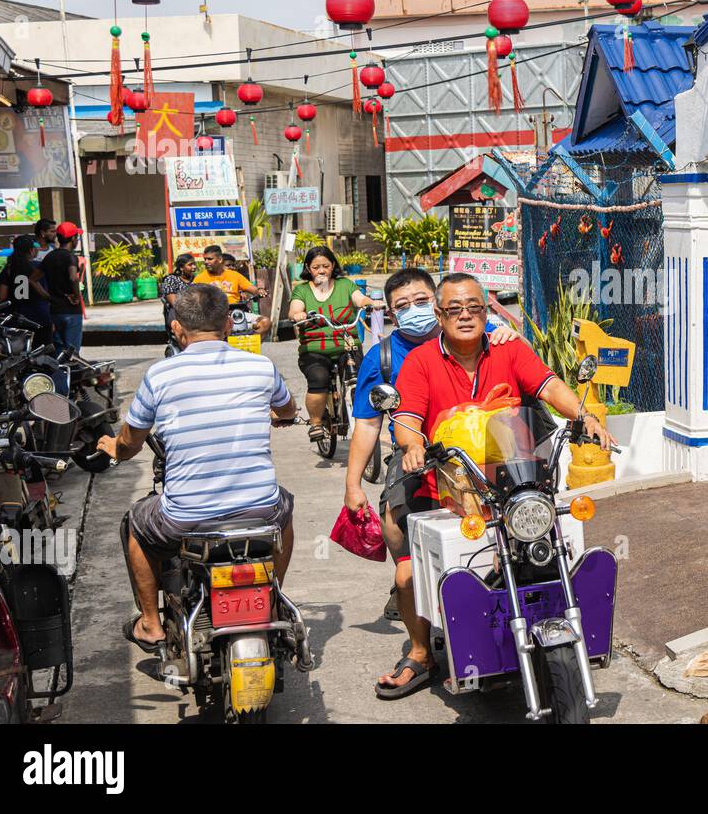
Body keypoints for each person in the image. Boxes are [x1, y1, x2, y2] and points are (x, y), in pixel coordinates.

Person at [387, 273, 616, 697]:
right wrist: (413, 446)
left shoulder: (509, 347)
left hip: (513, 478)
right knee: (405, 576)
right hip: (448, 481)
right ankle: (420, 653)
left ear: (486, 309)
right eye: (454, 309)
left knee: (558, 539)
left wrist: (584, 416)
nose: (465, 316)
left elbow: (547, 384)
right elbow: (407, 418)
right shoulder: (420, 361)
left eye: (474, 307)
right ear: (440, 314)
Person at [343, 268, 521, 692]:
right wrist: (352, 485)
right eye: (402, 306)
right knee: (404, 551)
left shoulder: (488, 334)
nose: (415, 312)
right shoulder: (383, 358)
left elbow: (531, 378)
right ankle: (420, 649)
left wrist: (510, 337)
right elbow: (367, 426)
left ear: (438, 303)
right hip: (417, 459)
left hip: (492, 454)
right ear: (390, 312)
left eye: (421, 301)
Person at [96, 284, 299, 652]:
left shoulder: (160, 375)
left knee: (135, 525)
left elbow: (130, 441)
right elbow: (288, 410)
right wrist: (277, 416)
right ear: (228, 324)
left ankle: (151, 624)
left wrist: (114, 447)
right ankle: (272, 597)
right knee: (284, 511)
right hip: (260, 511)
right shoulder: (260, 366)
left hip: (185, 519)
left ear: (177, 328)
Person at [288, 246, 379, 444]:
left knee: (360, 378)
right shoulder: (302, 290)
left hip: (347, 344)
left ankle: (367, 419)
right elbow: (294, 309)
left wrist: (368, 302)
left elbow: (359, 298)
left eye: (326, 266)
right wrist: (298, 315)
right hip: (314, 348)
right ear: (308, 268)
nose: (321, 271)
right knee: (318, 379)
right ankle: (316, 423)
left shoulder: (345, 285)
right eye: (316, 267)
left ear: (333, 266)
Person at [194, 244, 270, 338]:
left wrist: (259, 291)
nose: (206, 262)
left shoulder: (234, 275)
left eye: (210, 259)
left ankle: (248, 347)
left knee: (265, 322)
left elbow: (252, 288)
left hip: (236, 314)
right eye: (205, 259)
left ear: (220, 260)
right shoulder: (199, 278)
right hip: (213, 317)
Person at [0, 234, 53, 346]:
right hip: (39, 317)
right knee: (43, 354)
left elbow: (0, 296)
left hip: (15, 319)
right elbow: (47, 293)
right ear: (31, 250)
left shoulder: (9, 269)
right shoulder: (38, 268)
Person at [40, 220, 84, 351]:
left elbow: (32, 279)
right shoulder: (71, 257)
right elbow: (72, 277)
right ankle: (72, 371)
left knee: (59, 350)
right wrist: (76, 296)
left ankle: (61, 372)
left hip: (54, 309)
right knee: (72, 351)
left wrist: (47, 296)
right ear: (74, 239)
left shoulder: (49, 257)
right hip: (71, 310)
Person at [158, 254, 197, 343]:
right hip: (179, 313)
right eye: (190, 265)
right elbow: (175, 303)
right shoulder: (171, 280)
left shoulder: (197, 279)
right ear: (181, 268)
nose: (194, 267)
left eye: (194, 264)